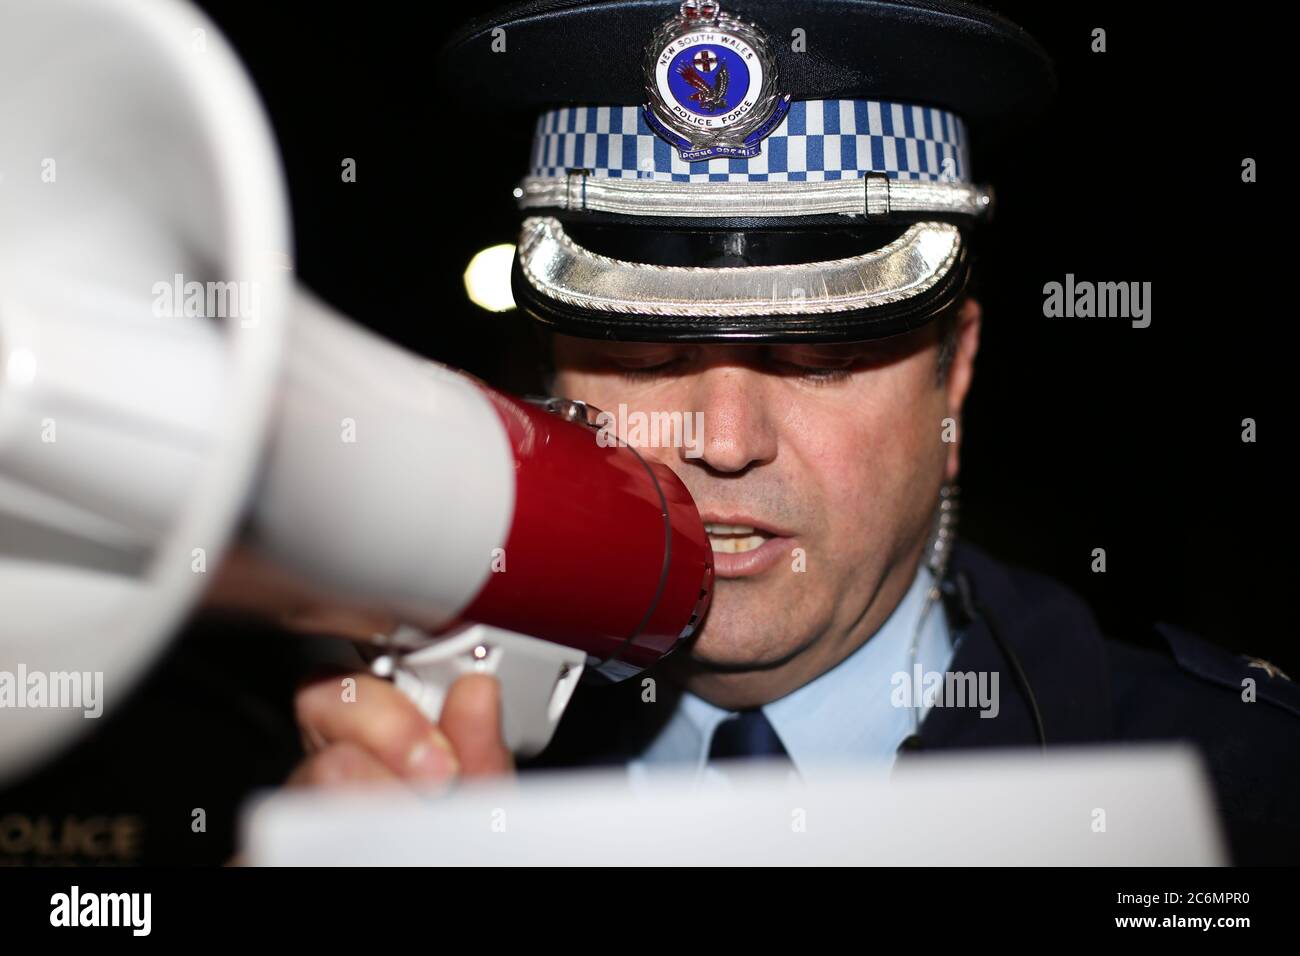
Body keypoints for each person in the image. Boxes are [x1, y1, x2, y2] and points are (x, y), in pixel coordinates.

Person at [286, 0, 1300, 863]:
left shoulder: (1229, 792)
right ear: (553, 375)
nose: (724, 439)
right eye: (644, 352)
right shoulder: (438, 781)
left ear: (958, 370)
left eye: (819, 357)